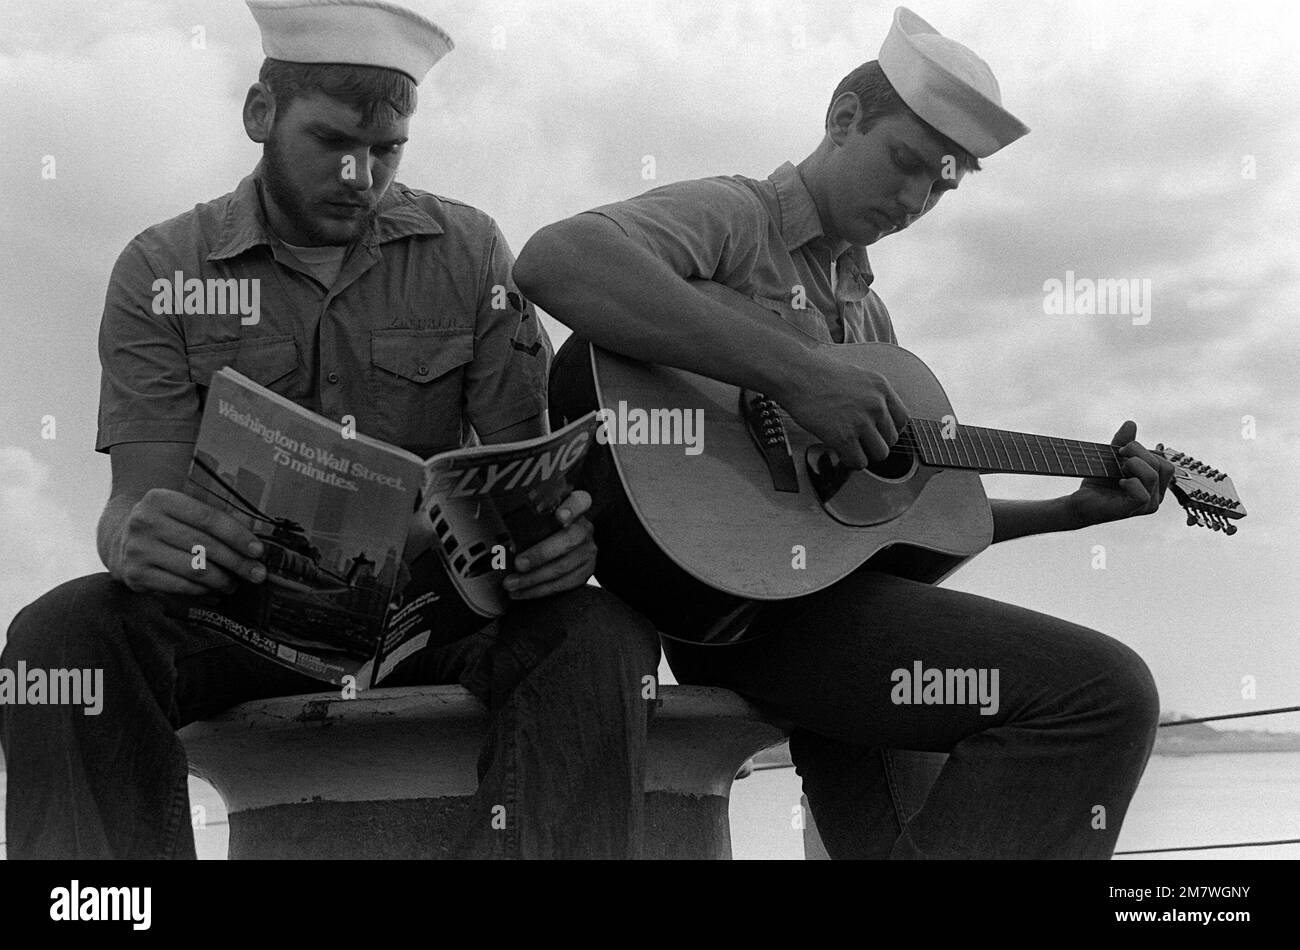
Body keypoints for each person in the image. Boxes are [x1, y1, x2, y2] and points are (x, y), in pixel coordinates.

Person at [0, 0, 660, 860]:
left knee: (601, 634)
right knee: (61, 640)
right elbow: (135, 503)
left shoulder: (470, 251)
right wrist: (133, 538)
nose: (361, 176)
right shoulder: (162, 270)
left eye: (386, 151)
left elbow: (524, 473)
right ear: (260, 114)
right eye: (334, 143)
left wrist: (552, 545)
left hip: (438, 614)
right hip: (238, 622)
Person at [515, 7, 1170, 858]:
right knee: (1104, 693)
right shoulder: (734, 217)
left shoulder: (869, 318)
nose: (913, 199)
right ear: (844, 117)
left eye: (939, 185)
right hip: (735, 610)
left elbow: (885, 526)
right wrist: (794, 372)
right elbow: (557, 261)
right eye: (905, 162)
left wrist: (1066, 515)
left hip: (831, 619)